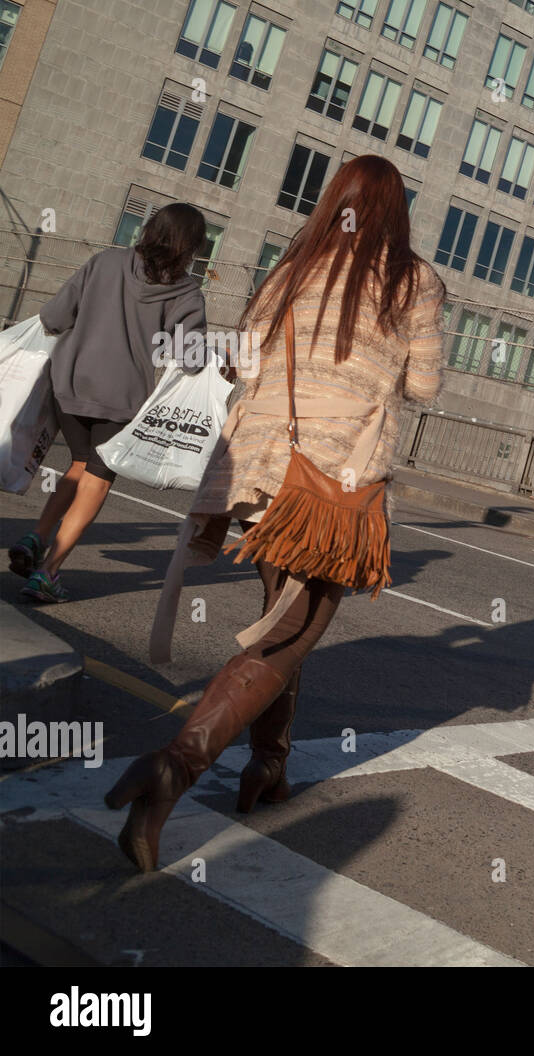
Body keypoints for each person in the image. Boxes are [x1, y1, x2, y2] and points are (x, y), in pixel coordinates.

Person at [104, 156, 444, 872]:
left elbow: (243, 363)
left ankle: (270, 764)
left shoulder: (292, 267)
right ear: (394, 210)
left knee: (282, 618)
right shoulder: (415, 280)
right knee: (293, 634)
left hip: (258, 470)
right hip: (332, 482)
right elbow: (423, 382)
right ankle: (175, 767)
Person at [9, 203, 210, 603]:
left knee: (80, 463)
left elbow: (53, 317)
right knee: (99, 477)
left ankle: (37, 535)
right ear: (192, 246)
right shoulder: (186, 291)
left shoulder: (105, 261)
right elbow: (190, 358)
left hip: (70, 384)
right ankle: (48, 572)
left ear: (151, 229)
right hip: (121, 398)